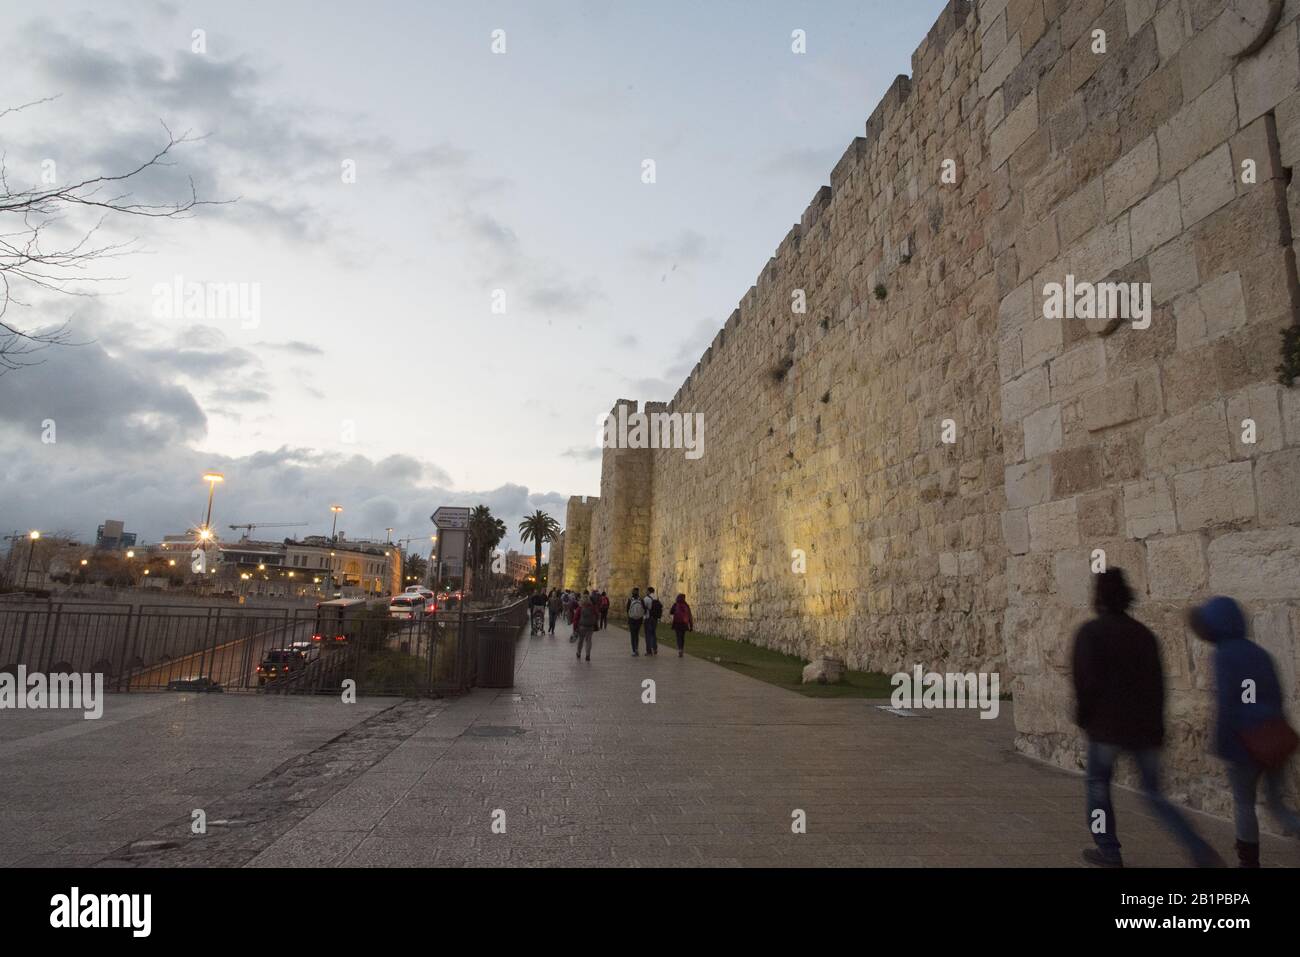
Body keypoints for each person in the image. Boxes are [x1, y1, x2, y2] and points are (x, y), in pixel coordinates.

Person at [1071, 568, 1223, 868]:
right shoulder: (1144, 635)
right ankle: (1198, 849)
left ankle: (1107, 848)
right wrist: (1157, 726)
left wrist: (1084, 717)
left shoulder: (1091, 633)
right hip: (1144, 728)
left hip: (1106, 729)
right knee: (1154, 795)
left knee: (1098, 786)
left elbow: (1085, 682)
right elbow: (1158, 685)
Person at [1189, 596, 1300, 867]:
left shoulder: (1224, 656)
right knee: (1277, 804)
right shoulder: (1260, 653)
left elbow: (1228, 702)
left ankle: (1249, 861)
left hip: (1243, 743)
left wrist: (1223, 741)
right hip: (1272, 739)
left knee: (1243, 803)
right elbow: (1275, 695)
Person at [575, 594, 597, 661]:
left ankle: (578, 653)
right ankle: (588, 655)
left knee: (580, 641)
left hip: (582, 627)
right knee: (588, 641)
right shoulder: (592, 608)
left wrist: (575, 628)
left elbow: (576, 618)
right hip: (590, 627)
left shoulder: (580, 608)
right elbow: (597, 615)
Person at [643, 587, 663, 656]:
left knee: (648, 635)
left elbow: (643, 609)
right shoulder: (656, 598)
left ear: (648, 591)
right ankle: (655, 649)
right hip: (655, 618)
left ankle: (649, 651)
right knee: (653, 634)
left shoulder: (646, 599)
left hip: (648, 618)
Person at [626, 587, 644, 656]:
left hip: (632, 619)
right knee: (636, 635)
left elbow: (627, 610)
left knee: (632, 635)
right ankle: (636, 648)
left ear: (632, 592)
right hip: (639, 620)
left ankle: (634, 650)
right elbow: (643, 609)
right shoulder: (641, 600)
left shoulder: (630, 600)